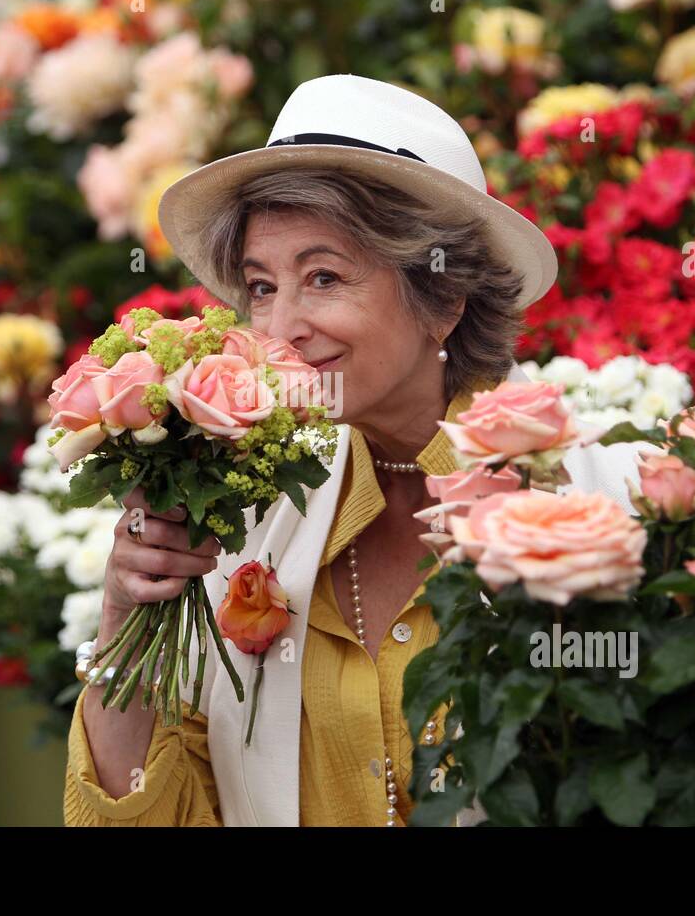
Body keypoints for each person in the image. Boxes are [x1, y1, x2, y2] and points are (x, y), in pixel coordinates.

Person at [63, 73, 640, 827]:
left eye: (324, 277)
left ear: (445, 297)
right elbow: (150, 811)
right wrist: (121, 616)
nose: (280, 330)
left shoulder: (603, 500)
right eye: (262, 286)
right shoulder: (246, 518)